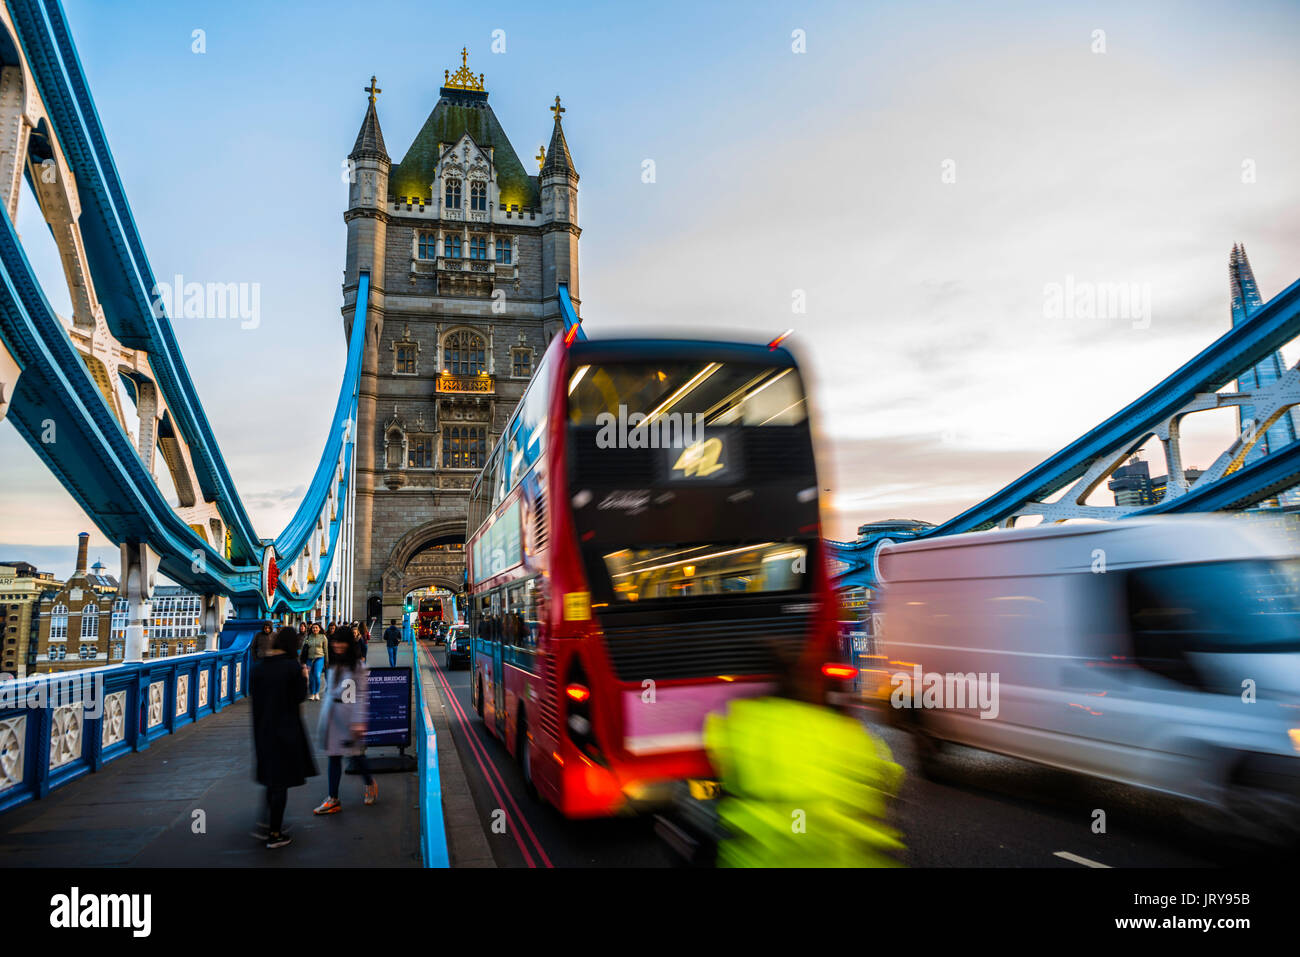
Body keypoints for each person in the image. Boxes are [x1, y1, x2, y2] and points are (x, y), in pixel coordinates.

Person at [251, 626, 317, 848]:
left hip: (263, 730)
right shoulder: (291, 667)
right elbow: (300, 697)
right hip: (286, 731)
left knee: (271, 780)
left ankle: (266, 824)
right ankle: (275, 834)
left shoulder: (259, 667)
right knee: (280, 784)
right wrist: (304, 677)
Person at [313, 628, 377, 813]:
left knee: (356, 756)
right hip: (334, 716)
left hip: (350, 717)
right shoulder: (334, 664)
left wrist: (358, 721)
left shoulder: (358, 667)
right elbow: (329, 691)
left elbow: (361, 696)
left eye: (341, 642)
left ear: (349, 644)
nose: (337, 645)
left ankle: (370, 783)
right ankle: (333, 798)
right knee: (334, 757)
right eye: (335, 641)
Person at [300, 622, 329, 700]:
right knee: (311, 677)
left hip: (319, 658)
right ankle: (312, 693)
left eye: (316, 627)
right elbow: (303, 649)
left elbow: (326, 650)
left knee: (317, 675)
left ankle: (316, 693)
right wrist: (302, 661)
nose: (315, 629)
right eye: (313, 628)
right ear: (311, 629)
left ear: (319, 629)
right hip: (309, 659)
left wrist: (326, 662)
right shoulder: (308, 637)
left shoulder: (323, 637)